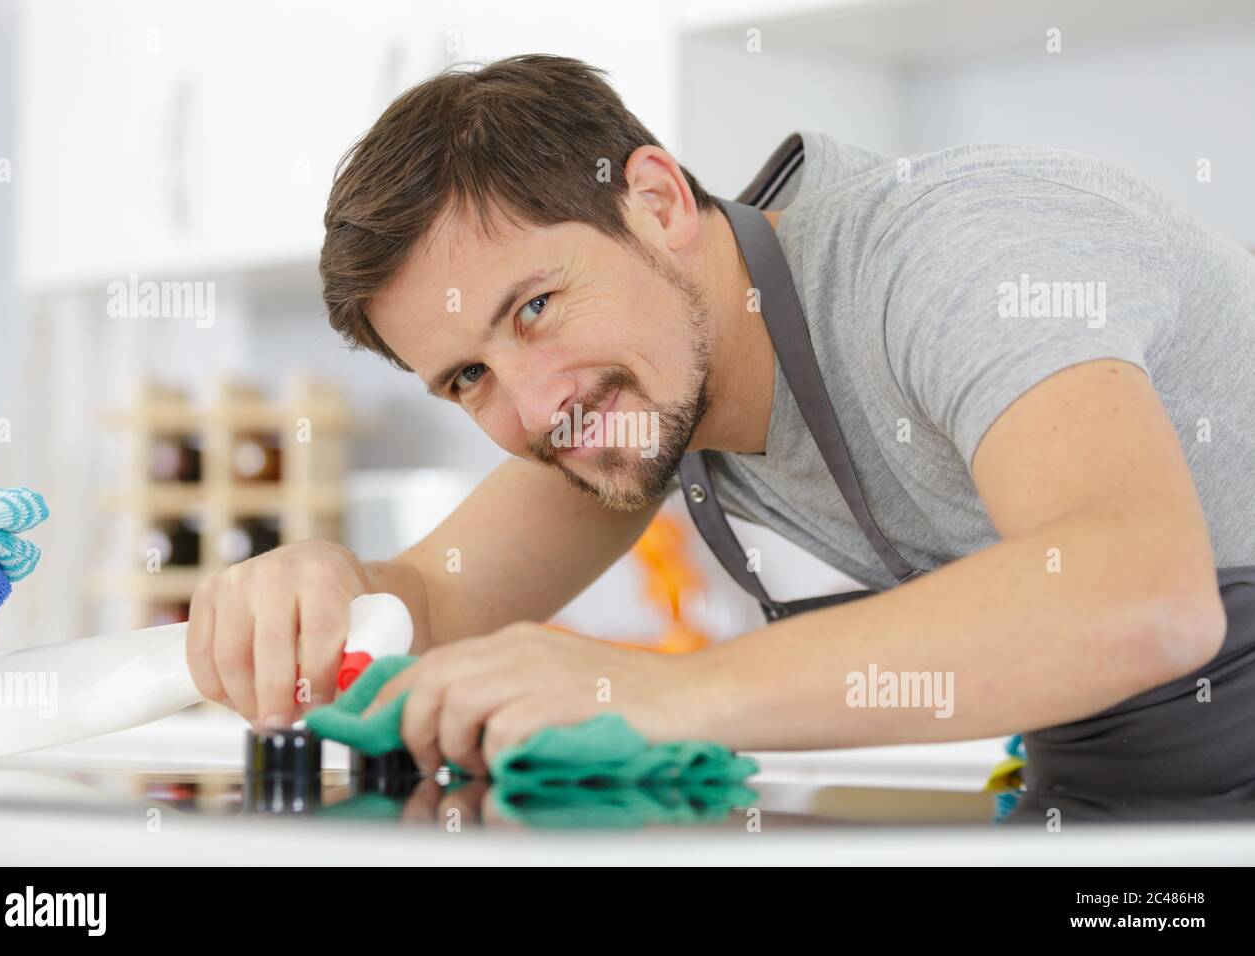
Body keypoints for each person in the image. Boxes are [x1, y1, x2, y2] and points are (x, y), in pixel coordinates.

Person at [186, 55, 1255, 790]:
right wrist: (323, 585)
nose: (535, 403)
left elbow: (1138, 595)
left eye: (536, 307)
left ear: (654, 202)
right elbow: (428, 598)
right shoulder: (648, 392)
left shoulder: (945, 253)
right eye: (467, 375)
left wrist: (671, 690)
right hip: (1132, 814)